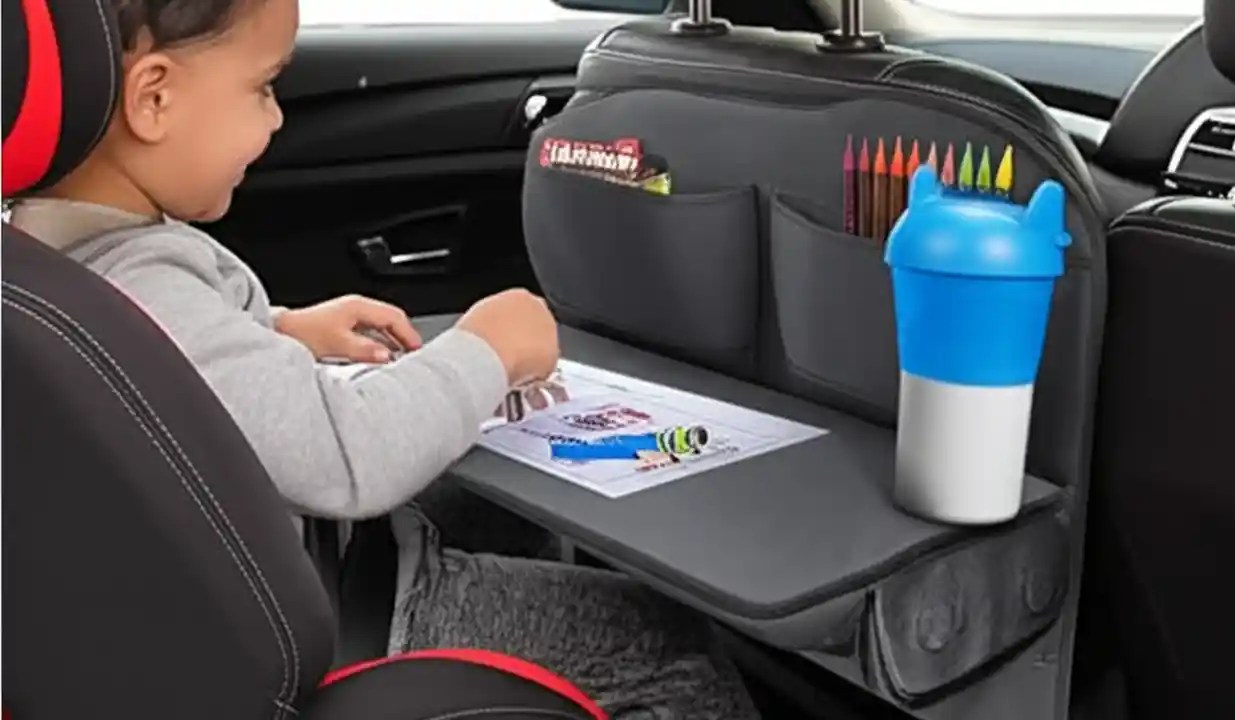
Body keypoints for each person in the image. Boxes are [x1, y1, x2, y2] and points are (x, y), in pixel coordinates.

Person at [8, 1, 761, 718]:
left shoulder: (48, 259)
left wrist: (282, 329)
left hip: (250, 575)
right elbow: (347, 453)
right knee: (668, 643)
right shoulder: (147, 280)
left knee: (492, 505)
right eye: (263, 87)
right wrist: (489, 350)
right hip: (330, 611)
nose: (276, 118)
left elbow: (169, 363)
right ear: (155, 98)